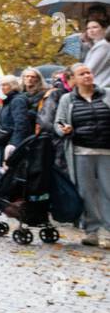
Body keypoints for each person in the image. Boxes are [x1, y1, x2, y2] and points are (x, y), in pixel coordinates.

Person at [54, 63, 110, 248]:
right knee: (86, 192)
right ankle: (91, 231)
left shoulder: (107, 94)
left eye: (89, 72)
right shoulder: (67, 99)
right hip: (80, 151)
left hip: (106, 150)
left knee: (107, 191)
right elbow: (58, 123)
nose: (87, 76)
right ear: (73, 79)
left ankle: (109, 232)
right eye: (82, 74)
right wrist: (64, 129)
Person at [84, 18, 109, 89]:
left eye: (95, 27)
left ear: (104, 29)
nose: (91, 31)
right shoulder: (97, 45)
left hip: (99, 86)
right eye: (88, 28)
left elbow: (90, 69)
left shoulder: (103, 46)